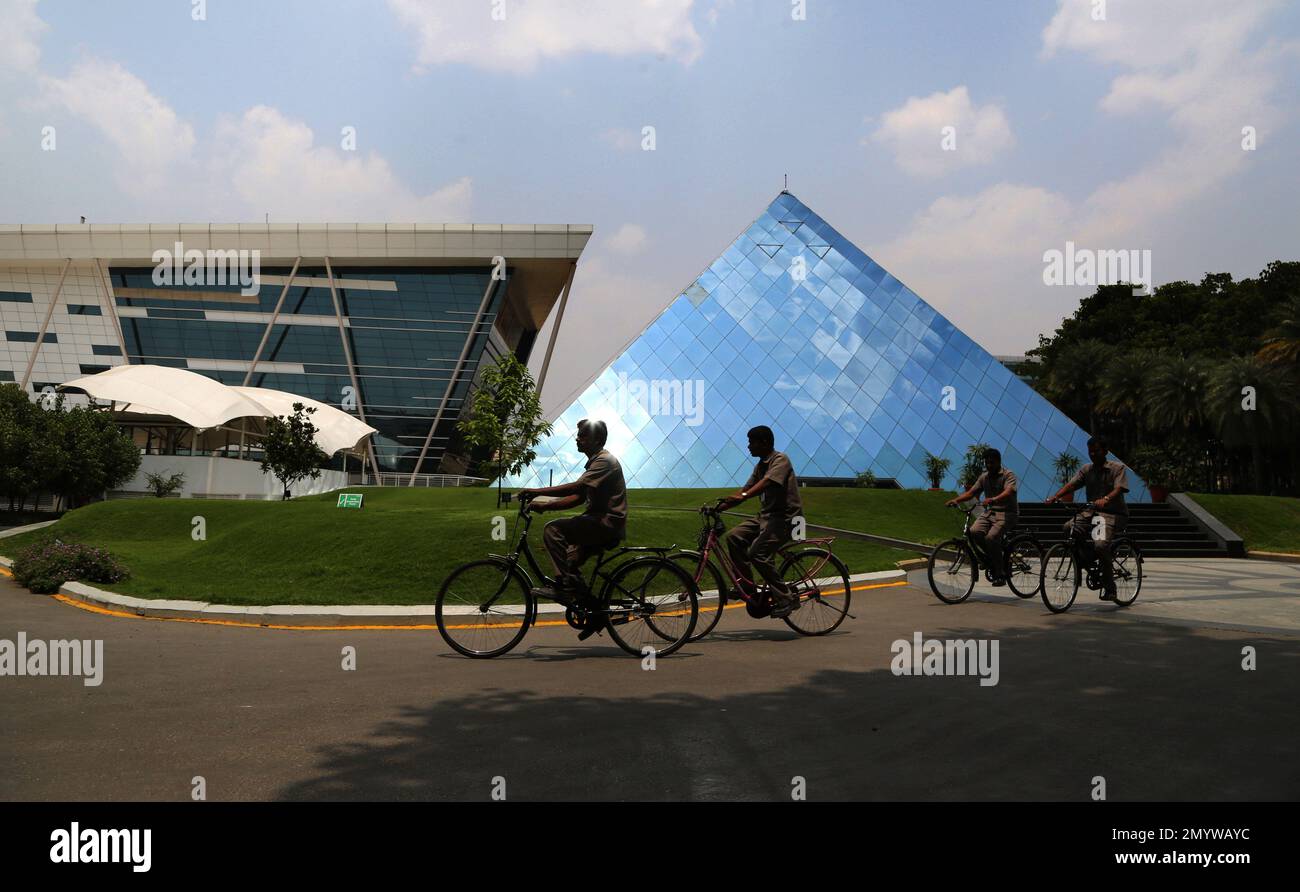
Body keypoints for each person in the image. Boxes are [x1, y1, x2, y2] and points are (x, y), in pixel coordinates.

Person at [519, 418, 627, 639]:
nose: (577, 439)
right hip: (599, 522)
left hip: (606, 523)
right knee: (569, 562)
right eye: (578, 435)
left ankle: (565, 589)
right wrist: (546, 505)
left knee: (552, 530)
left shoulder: (604, 461)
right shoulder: (595, 462)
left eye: (583, 435)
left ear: (597, 439)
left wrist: (537, 492)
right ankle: (595, 613)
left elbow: (577, 488)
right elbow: (579, 497)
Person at [717, 425, 804, 618]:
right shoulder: (760, 466)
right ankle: (747, 587)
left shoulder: (780, 460)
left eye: (751, 442)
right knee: (734, 537)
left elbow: (767, 483)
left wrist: (745, 496)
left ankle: (786, 598)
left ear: (764, 442)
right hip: (766, 517)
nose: (748, 446)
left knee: (757, 553)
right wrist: (720, 507)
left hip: (787, 519)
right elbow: (744, 490)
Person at [1045, 435, 1130, 601]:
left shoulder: (1117, 468)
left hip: (1111, 514)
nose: (1093, 454)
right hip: (1090, 512)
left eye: (1096, 451)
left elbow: (1119, 488)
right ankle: (1087, 557)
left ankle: (1110, 587)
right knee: (1068, 527)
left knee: (1100, 545)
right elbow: (1072, 484)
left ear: (1105, 451)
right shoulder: (1087, 469)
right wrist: (1056, 497)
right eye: (1090, 452)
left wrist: (1105, 499)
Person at [945, 448, 1018, 585]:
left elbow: (1009, 491)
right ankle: (991, 558)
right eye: (986, 463)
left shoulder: (1008, 475)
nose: (988, 465)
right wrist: (957, 500)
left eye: (991, 463)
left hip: (1007, 513)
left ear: (998, 462)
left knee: (991, 537)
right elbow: (972, 492)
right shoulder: (984, 477)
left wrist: (994, 499)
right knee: (973, 532)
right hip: (990, 513)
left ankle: (1000, 571)